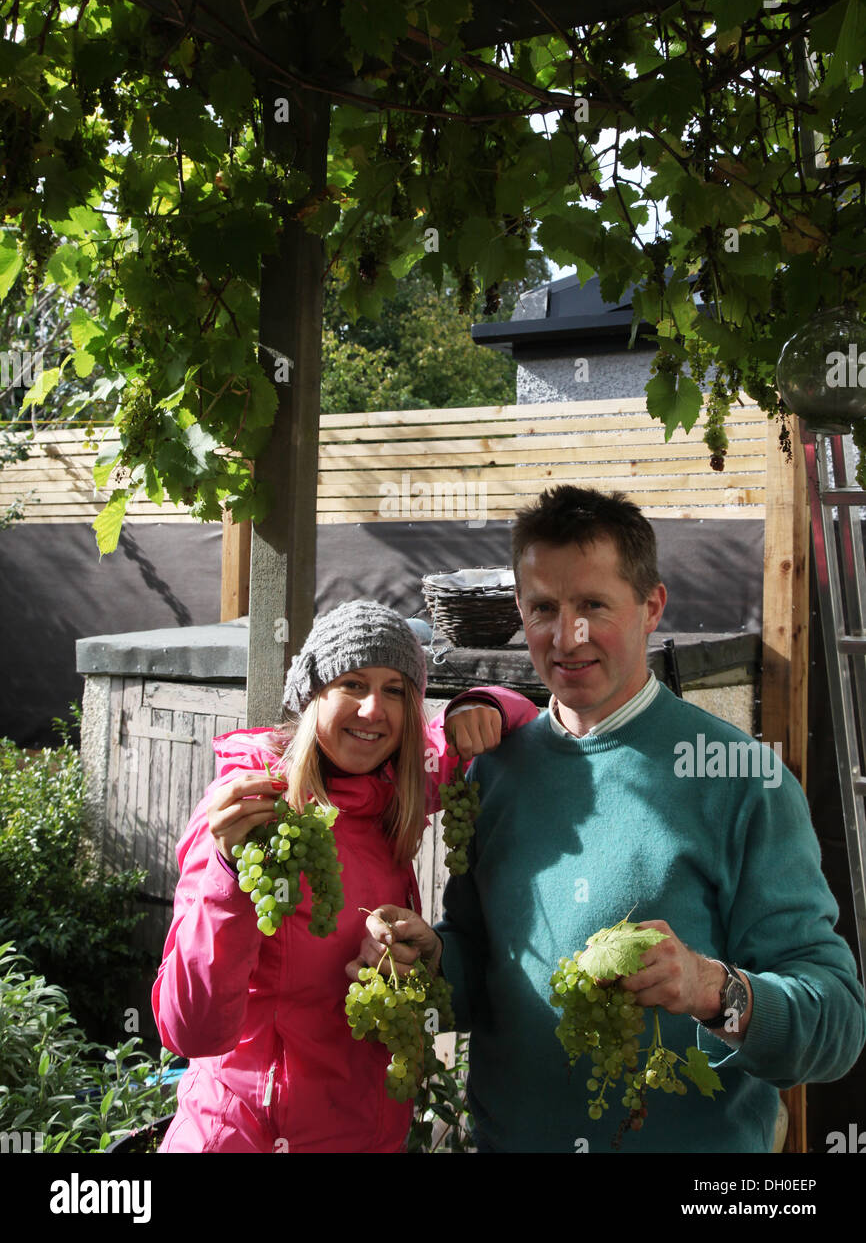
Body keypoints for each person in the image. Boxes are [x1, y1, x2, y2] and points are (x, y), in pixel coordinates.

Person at [353, 486, 866, 1153]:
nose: (568, 637)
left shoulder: (740, 778)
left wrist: (716, 989)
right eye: (544, 609)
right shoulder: (495, 771)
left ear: (652, 606)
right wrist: (434, 960)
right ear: (519, 613)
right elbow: (479, 962)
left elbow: (837, 1025)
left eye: (593, 605)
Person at [152, 598, 537, 1153]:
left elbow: (520, 714)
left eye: (395, 690)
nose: (373, 709)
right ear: (312, 696)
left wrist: (479, 704)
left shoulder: (394, 788)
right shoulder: (252, 813)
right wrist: (227, 874)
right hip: (248, 1137)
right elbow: (192, 1030)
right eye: (352, 684)